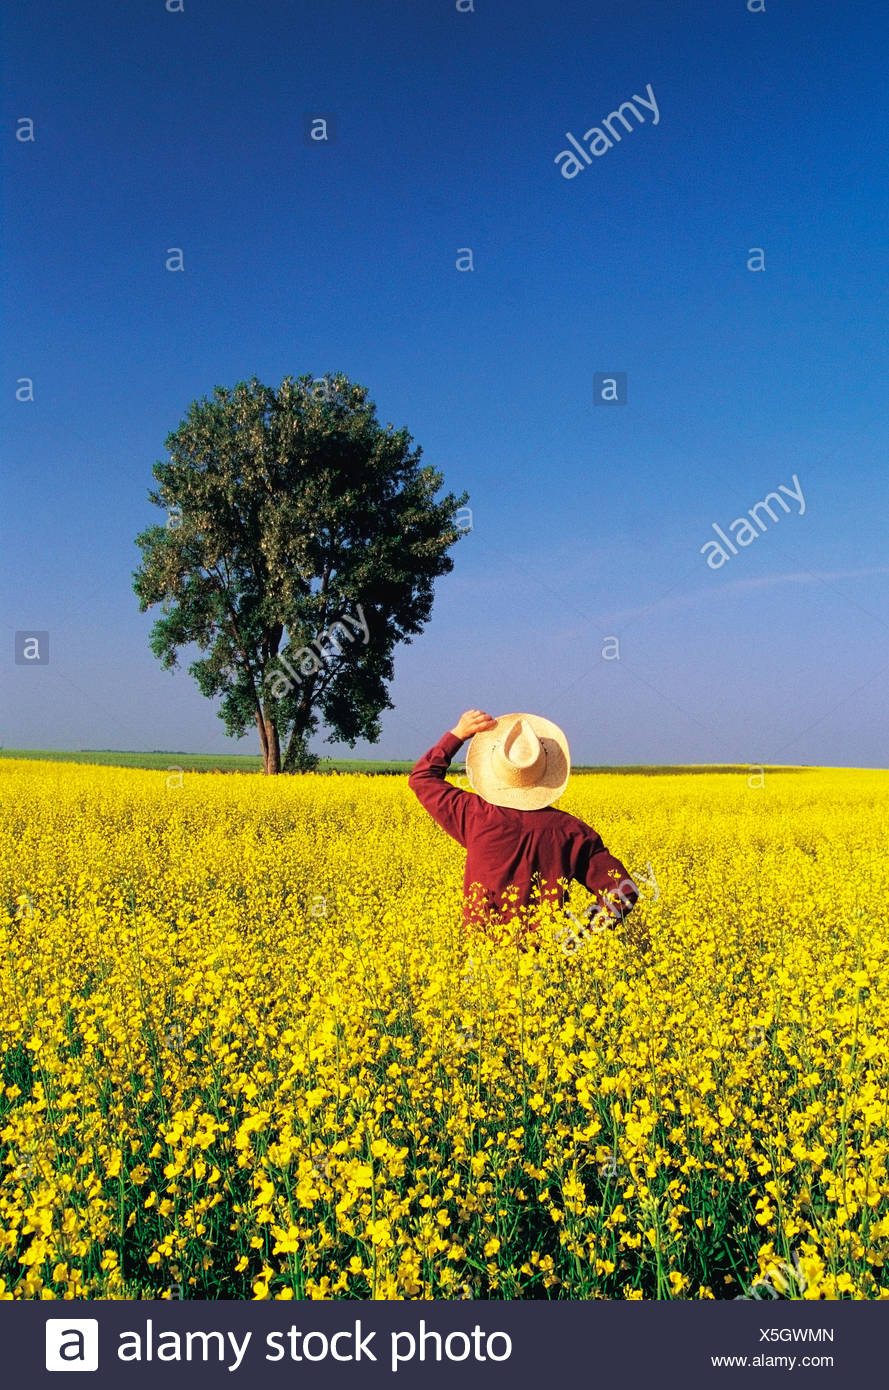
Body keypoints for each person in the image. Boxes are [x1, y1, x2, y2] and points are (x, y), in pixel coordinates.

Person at [408, 708, 639, 944]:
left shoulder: (474, 815)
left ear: (495, 770)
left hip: (484, 962)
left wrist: (458, 733)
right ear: (547, 773)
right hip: (548, 960)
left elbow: (422, 779)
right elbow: (624, 890)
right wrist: (578, 937)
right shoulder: (571, 831)